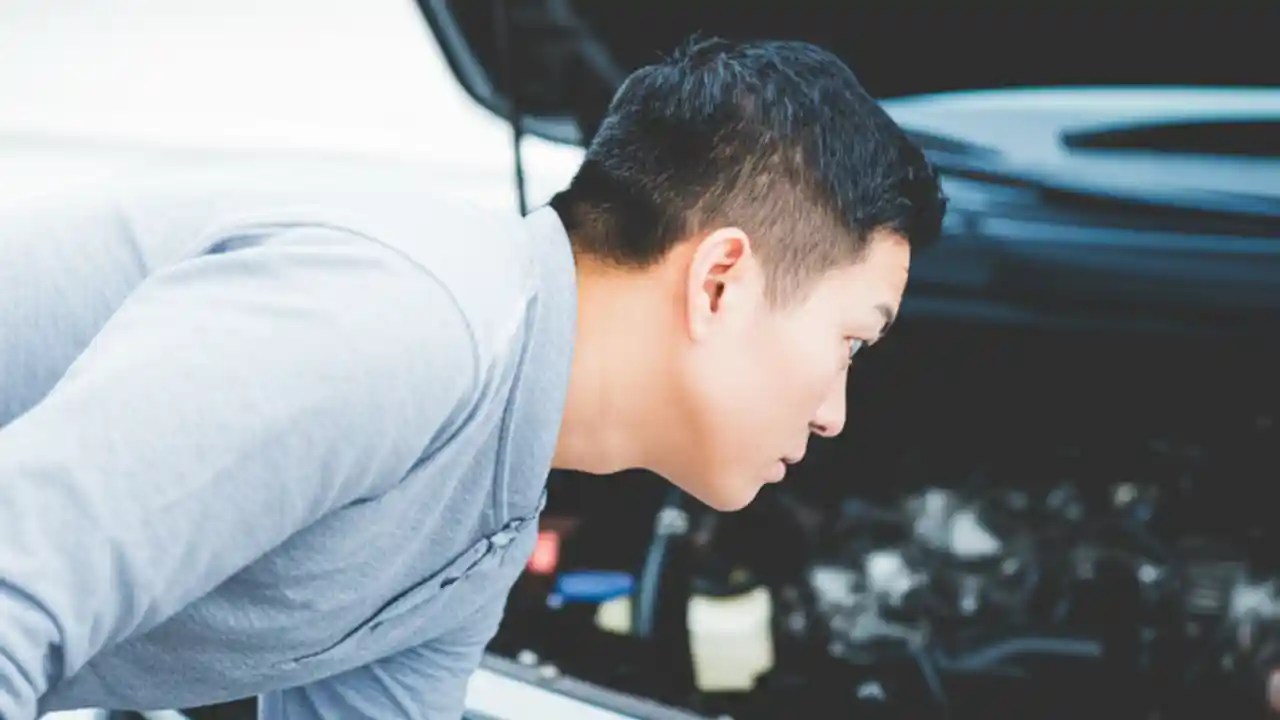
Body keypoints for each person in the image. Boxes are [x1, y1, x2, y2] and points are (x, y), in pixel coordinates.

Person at [0, 37, 944, 719]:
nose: (835, 415)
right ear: (722, 282)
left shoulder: (478, 531)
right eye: (851, 344)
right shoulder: (406, 325)